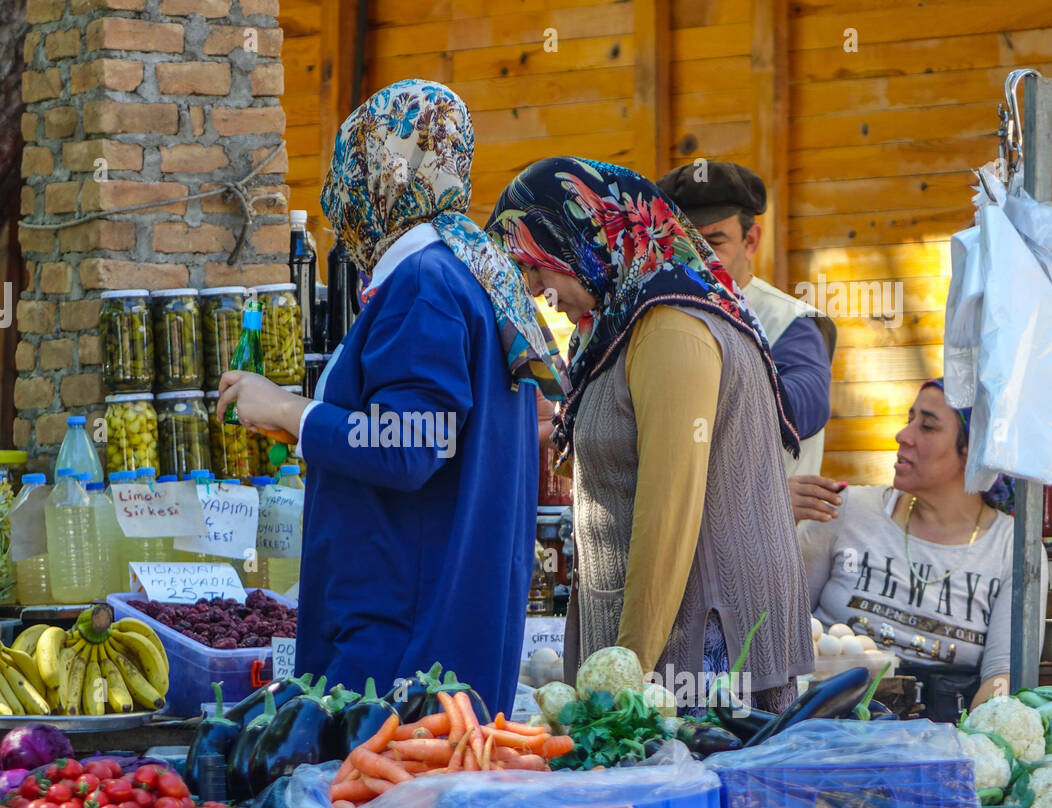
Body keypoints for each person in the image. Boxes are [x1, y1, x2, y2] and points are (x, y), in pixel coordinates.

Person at [215, 80, 568, 717]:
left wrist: (289, 409)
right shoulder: (475, 271)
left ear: (377, 170)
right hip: (447, 627)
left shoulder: (424, 282)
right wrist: (310, 429)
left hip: (402, 650)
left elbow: (411, 444)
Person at [486, 157, 812, 713]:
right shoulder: (628, 322)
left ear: (584, 240)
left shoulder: (671, 327)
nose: (539, 291)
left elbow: (669, 509)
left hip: (698, 646)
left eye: (538, 267)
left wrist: (625, 672)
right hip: (668, 640)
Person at [797, 379, 1047, 722]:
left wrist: (973, 744)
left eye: (927, 426)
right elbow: (781, 620)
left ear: (976, 451)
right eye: (909, 418)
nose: (903, 434)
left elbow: (1002, 676)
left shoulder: (1012, 549)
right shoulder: (847, 511)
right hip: (826, 729)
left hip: (941, 734)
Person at [658, 161, 835, 477]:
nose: (696, 259)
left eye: (714, 243)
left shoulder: (791, 322)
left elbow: (802, 409)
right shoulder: (649, 318)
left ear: (750, 241)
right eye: (682, 243)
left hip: (771, 524)